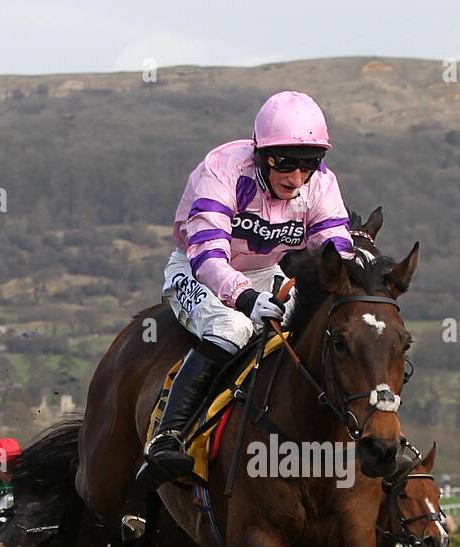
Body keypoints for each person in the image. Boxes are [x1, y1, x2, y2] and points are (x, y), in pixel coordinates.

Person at [140, 91, 359, 484]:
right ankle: (167, 435)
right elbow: (207, 254)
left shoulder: (321, 184)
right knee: (233, 328)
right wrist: (243, 297)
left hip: (266, 273)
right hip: (198, 269)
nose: (296, 179)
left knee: (312, 328)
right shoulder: (222, 169)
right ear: (261, 155)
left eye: (308, 166)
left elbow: (332, 249)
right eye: (285, 165)